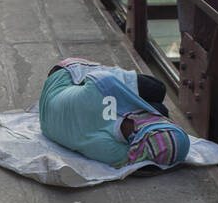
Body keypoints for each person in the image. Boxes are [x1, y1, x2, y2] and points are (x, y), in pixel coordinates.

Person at [37, 59, 191, 169]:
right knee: (158, 97)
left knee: (157, 92)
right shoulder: (115, 152)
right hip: (54, 103)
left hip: (59, 80)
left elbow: (101, 80)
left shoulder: (103, 91)